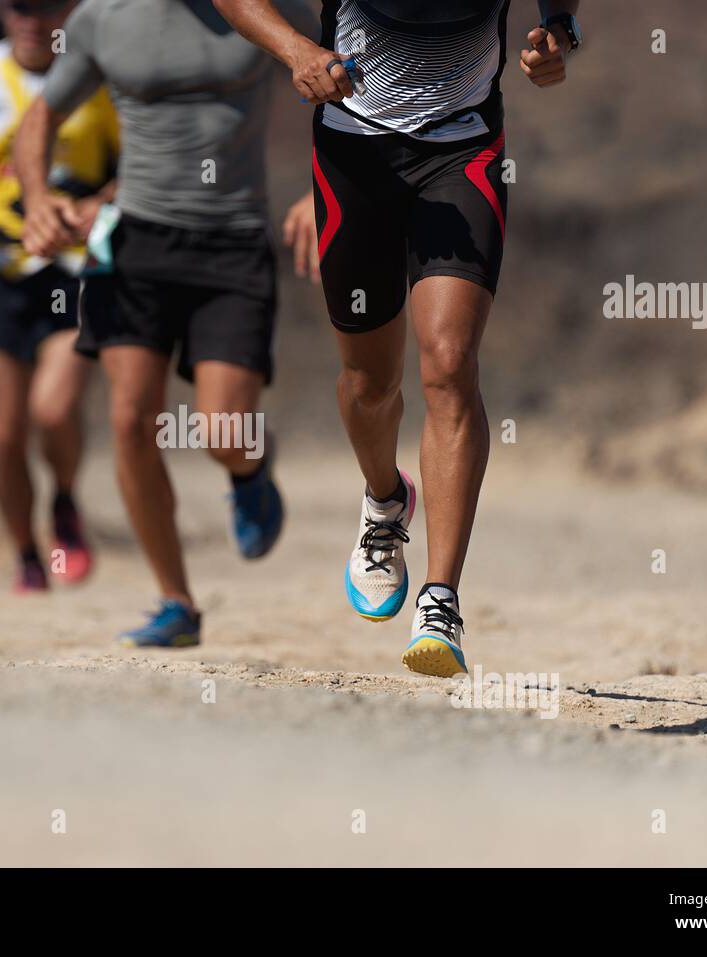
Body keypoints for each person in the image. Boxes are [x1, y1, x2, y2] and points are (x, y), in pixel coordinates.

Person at [212, 0, 583, 674]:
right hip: (354, 155)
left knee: (449, 363)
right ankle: (386, 499)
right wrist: (297, 51)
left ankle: (441, 601)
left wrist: (559, 29)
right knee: (370, 383)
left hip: (464, 149)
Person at [13, 0, 321, 647]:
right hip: (134, 242)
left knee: (221, 430)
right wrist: (38, 199)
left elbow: (345, 79)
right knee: (130, 418)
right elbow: (41, 116)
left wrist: (324, 188)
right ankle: (176, 599)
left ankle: (248, 468)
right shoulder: (101, 17)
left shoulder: (265, 10)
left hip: (232, 243)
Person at [0, 0, 118, 591]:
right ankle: (26, 554)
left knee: (53, 408)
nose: (33, 20)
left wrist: (99, 203)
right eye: (20, 8)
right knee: (5, 432)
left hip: (74, 266)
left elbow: (141, 161)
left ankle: (63, 499)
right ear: (4, 13)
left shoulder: (101, 76)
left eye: (46, 9)